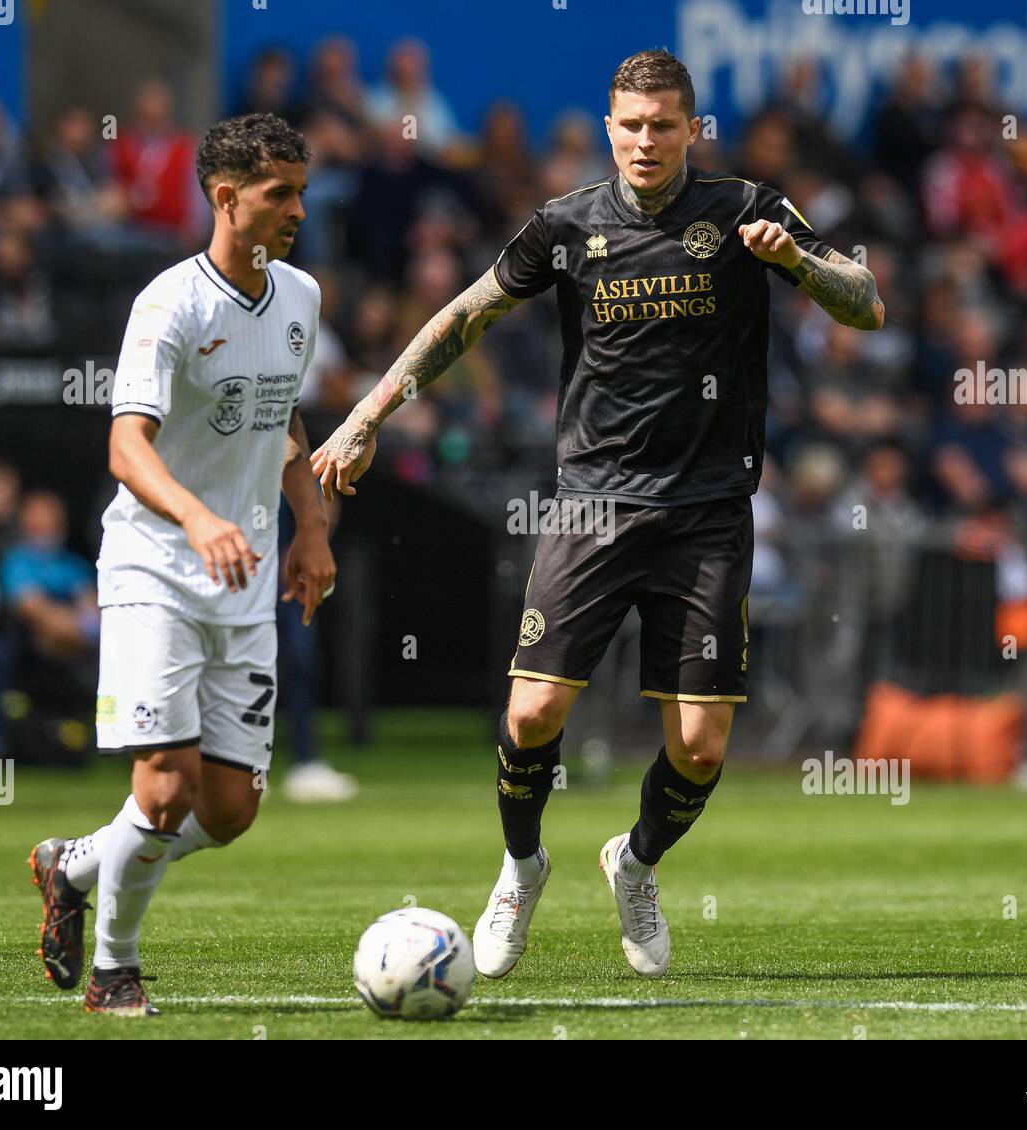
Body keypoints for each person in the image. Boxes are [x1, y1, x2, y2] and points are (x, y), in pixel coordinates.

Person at [313, 49, 883, 979]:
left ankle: (637, 861)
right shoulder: (566, 226)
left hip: (707, 512)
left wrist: (806, 268)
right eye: (632, 124)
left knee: (697, 746)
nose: (647, 141)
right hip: (593, 504)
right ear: (608, 127)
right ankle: (521, 864)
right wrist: (367, 417)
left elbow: (869, 306)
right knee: (533, 713)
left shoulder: (747, 210)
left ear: (692, 129)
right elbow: (466, 316)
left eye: (666, 125)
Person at [27, 113, 335, 1015]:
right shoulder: (169, 304)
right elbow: (127, 449)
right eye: (280, 195)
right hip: (154, 568)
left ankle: (72, 865)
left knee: (230, 810)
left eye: (302, 194)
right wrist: (200, 518)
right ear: (224, 196)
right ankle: (113, 970)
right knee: (165, 790)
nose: (297, 212)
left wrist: (310, 527)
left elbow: (284, 421)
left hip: (241, 578)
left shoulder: (301, 299)